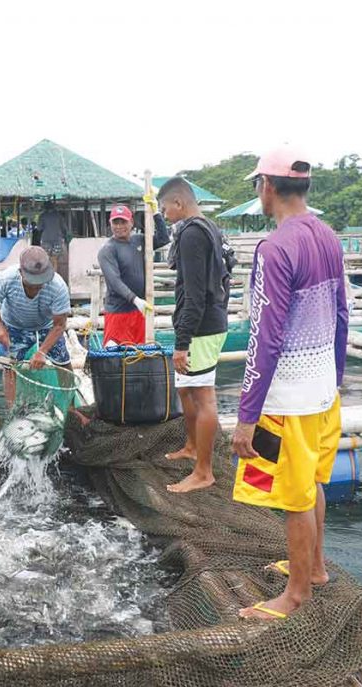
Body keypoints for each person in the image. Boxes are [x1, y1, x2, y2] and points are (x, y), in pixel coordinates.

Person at [231, 147, 348, 620]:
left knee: (294, 496)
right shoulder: (328, 236)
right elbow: (342, 315)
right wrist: (334, 380)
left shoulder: (276, 247)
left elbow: (266, 336)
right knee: (314, 481)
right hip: (323, 390)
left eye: (258, 185)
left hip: (291, 397)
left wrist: (246, 414)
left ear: (268, 187)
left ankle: (295, 594)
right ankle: (314, 567)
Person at [158, 177, 230, 493]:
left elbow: (195, 293)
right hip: (210, 320)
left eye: (164, 209)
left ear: (179, 203)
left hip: (201, 326)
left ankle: (204, 472)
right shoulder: (209, 228)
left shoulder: (191, 235)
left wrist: (182, 342)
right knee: (187, 391)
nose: (163, 215)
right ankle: (191, 447)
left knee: (203, 396)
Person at [0, 247, 72, 406]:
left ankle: (72, 408)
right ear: (21, 272)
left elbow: (60, 324)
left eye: (41, 281)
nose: (37, 286)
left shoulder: (58, 286)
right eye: (33, 281)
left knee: (64, 363)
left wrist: (42, 352)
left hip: (48, 326)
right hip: (14, 325)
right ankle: (12, 409)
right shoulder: (7, 279)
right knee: (10, 365)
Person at [97, 203, 170, 346]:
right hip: (118, 312)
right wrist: (135, 299)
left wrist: (156, 213)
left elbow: (163, 238)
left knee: (138, 352)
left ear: (131, 223)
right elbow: (114, 281)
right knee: (115, 352)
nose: (119, 226)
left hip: (139, 311)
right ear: (110, 224)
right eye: (115, 222)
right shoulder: (107, 250)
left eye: (123, 222)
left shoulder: (140, 240)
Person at [37, 201, 68, 271]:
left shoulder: (42, 216)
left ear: (44, 207)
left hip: (45, 239)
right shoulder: (59, 216)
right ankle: (55, 275)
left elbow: (39, 228)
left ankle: (47, 276)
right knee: (55, 259)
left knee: (47, 258)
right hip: (57, 239)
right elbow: (64, 228)